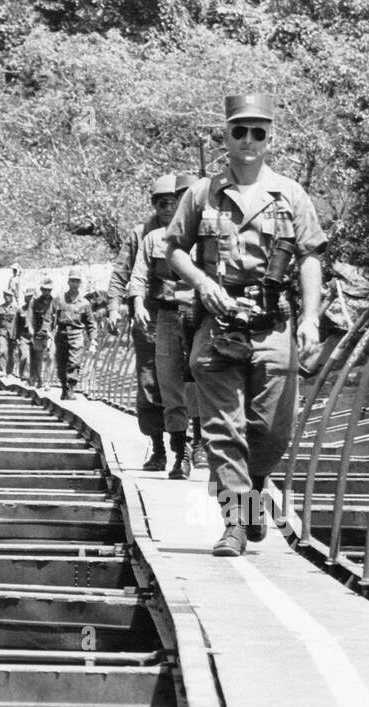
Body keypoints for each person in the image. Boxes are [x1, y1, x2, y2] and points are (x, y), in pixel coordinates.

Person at [167, 92, 327, 556]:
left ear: (271, 137)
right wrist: (200, 282)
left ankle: (256, 486)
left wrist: (311, 318)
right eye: (240, 131)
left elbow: (310, 257)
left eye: (259, 131)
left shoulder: (291, 194)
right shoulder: (202, 193)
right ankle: (236, 523)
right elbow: (176, 247)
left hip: (273, 323)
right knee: (222, 428)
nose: (249, 139)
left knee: (274, 427)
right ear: (227, 136)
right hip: (218, 324)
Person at [129, 172, 207, 479]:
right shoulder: (153, 239)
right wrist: (136, 302)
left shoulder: (208, 237)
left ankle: (202, 441)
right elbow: (139, 275)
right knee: (169, 385)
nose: (173, 208)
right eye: (168, 203)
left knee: (200, 381)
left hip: (201, 314)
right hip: (167, 316)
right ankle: (180, 452)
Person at [108, 180, 170, 469]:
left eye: (174, 201)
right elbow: (121, 274)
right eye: (162, 203)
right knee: (149, 382)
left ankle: (195, 445)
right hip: (149, 318)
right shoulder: (139, 235)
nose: (169, 208)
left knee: (193, 380)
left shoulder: (194, 230)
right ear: (153, 204)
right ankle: (158, 449)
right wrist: (114, 308)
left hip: (186, 315)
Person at [53, 269, 95, 400]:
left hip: (77, 334)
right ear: (68, 282)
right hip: (61, 333)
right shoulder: (59, 299)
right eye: (72, 281)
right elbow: (49, 318)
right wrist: (48, 334)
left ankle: (70, 388)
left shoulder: (84, 303)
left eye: (77, 281)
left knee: (74, 363)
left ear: (80, 283)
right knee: (61, 363)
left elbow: (90, 323)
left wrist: (93, 339)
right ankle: (64, 388)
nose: (74, 283)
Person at [23, 278, 56, 389]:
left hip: (50, 333)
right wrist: (30, 329)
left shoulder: (55, 302)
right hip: (38, 334)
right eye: (45, 290)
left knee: (51, 357)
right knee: (38, 359)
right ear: (41, 289)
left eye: (49, 290)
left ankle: (48, 382)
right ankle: (40, 380)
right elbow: (29, 317)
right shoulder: (35, 302)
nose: (47, 292)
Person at [0, 290, 18, 377]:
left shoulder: (16, 309)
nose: (6, 297)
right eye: (5, 295)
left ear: (12, 297)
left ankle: (10, 371)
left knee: (11, 353)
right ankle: (4, 370)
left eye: (9, 296)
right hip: (2, 332)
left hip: (13, 333)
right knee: (3, 350)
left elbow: (18, 322)